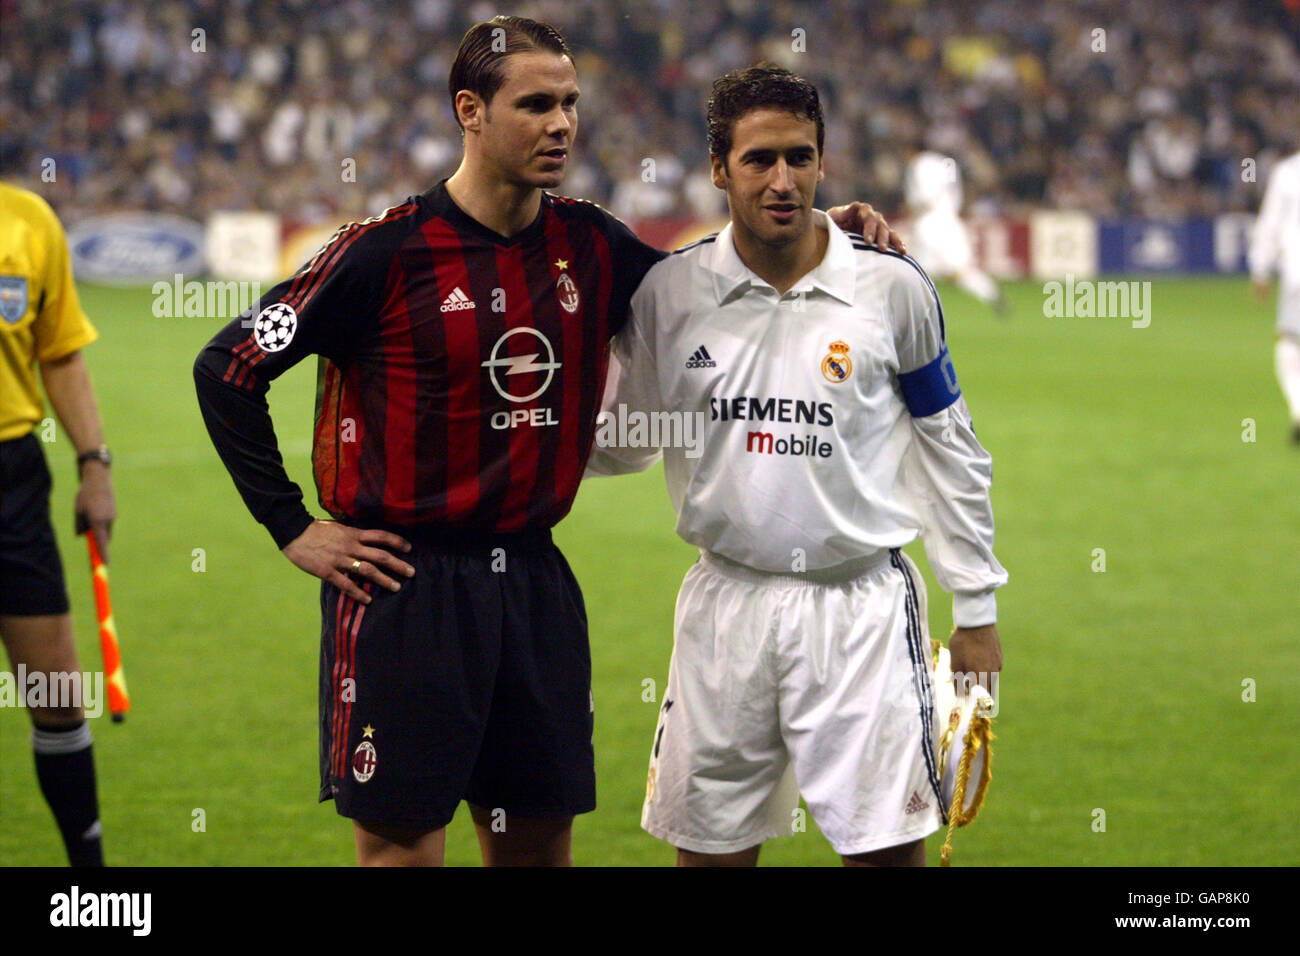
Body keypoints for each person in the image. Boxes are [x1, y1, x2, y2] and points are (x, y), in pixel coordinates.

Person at [193, 16, 899, 867]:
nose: (562, 123)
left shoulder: (589, 243)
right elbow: (226, 365)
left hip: (533, 584)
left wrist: (819, 231)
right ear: (471, 111)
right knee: (399, 853)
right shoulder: (381, 254)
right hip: (403, 588)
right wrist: (292, 526)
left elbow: (710, 283)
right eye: (535, 104)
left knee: (536, 849)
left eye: (569, 103)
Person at [586, 65, 1008, 866]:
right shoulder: (671, 295)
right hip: (725, 608)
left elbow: (950, 451)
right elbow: (628, 434)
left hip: (862, 612)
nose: (783, 180)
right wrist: (507, 450)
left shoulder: (895, 289)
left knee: (885, 854)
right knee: (709, 854)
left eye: (800, 157)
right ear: (719, 168)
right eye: (758, 160)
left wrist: (978, 612)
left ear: (823, 160)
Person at [0, 182, 115, 866]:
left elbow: (61, 353)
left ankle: (90, 880)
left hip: (12, 477)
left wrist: (94, 466)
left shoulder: (27, 220)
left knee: (57, 692)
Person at [904, 145, 1008, 315]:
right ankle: (990, 293)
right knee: (958, 271)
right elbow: (955, 194)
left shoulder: (921, 164)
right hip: (950, 218)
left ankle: (913, 313)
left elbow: (924, 196)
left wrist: (912, 205)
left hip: (930, 222)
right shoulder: (946, 163)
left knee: (921, 271)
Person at [1250, 149, 1300, 443]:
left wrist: (1260, 268)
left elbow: (1270, 222)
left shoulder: (1288, 172)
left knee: (1290, 341)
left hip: (1297, 273)